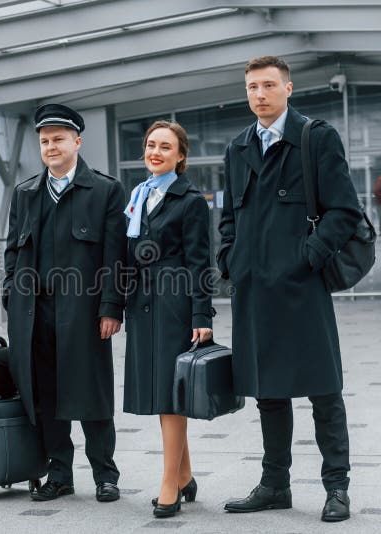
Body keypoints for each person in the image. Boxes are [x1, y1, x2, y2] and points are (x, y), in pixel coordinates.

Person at [217, 56, 362, 522]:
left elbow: (344, 212)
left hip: (303, 288)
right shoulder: (237, 148)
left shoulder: (315, 138)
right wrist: (230, 260)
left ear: (288, 88)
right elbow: (228, 219)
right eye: (252, 87)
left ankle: (336, 487)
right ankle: (275, 484)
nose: (259, 94)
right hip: (254, 291)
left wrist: (307, 257)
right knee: (268, 394)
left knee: (324, 390)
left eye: (268, 85)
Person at [3, 104, 126, 503]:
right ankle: (59, 474)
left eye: (58, 139)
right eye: (44, 141)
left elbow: (114, 255)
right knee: (45, 395)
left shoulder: (106, 190)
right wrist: (10, 293)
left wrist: (111, 307)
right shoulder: (25, 194)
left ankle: (105, 475)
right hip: (34, 312)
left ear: (77, 141)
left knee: (92, 393)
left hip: (85, 312)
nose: (51, 146)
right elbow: (11, 251)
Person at [122, 120, 213, 518]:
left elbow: (199, 262)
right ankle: (185, 475)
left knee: (170, 395)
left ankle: (168, 484)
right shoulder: (139, 195)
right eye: (150, 145)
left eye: (165, 147)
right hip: (142, 303)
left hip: (174, 303)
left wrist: (201, 313)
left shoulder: (190, 200)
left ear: (181, 156)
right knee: (162, 392)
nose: (155, 152)